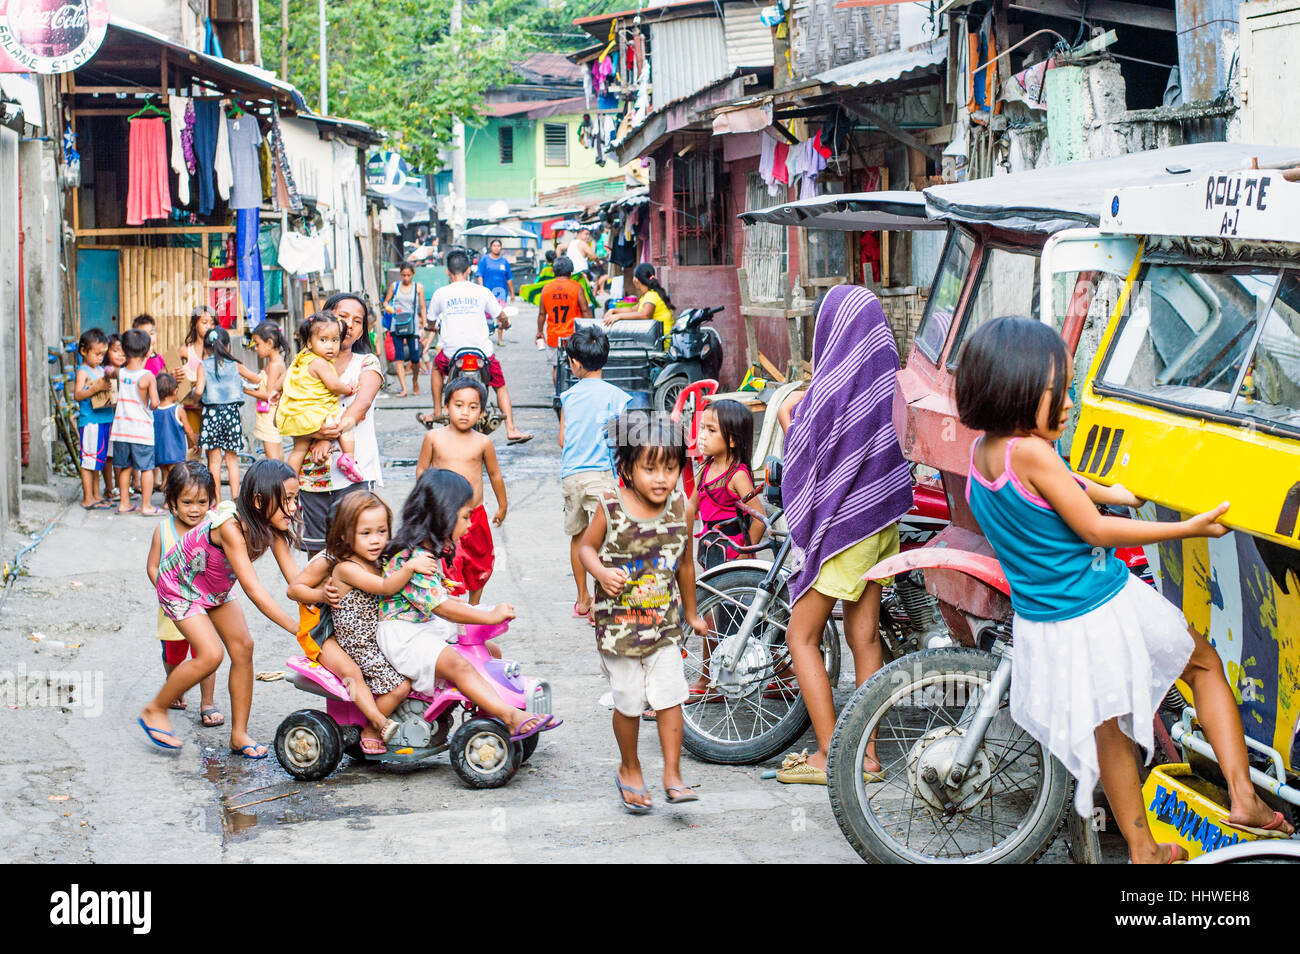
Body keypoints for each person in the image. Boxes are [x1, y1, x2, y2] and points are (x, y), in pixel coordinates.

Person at [956, 316, 1294, 861]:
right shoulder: (1033, 452)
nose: (1068, 403)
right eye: (1057, 392)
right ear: (1014, 392)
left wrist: (1109, 488)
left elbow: (1054, 487)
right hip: (1100, 604)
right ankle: (1245, 797)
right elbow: (1095, 528)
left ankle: (1142, 847)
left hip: (1050, 624)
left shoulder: (983, 455)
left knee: (1106, 727)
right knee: (1203, 665)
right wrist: (1185, 526)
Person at [773, 286, 914, 785]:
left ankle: (832, 752)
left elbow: (808, 450)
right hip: (878, 522)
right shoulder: (888, 384)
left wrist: (791, 419)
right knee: (863, 633)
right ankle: (868, 755)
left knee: (800, 634)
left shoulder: (831, 389)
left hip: (844, 532)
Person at [578, 409, 707, 812]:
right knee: (630, 701)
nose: (661, 478)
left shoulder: (680, 506)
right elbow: (584, 547)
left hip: (664, 626)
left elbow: (685, 562)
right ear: (628, 469)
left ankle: (672, 773)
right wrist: (599, 572)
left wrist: (690, 613)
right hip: (618, 630)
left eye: (670, 468)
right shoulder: (611, 506)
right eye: (650, 468)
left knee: (670, 697)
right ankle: (630, 766)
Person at [373, 468, 559, 742]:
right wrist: (489, 616)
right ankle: (507, 717)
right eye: (465, 517)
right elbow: (442, 607)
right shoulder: (411, 557)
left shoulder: (427, 553)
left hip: (422, 626)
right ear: (442, 518)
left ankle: (487, 712)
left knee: (489, 650)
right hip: (403, 634)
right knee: (459, 665)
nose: (470, 524)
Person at [141, 459, 305, 758]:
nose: (293, 508)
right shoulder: (230, 526)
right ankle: (155, 709)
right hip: (179, 585)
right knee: (211, 654)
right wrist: (298, 630)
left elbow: (296, 582)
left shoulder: (273, 526)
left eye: (295, 499)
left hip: (214, 589)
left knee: (243, 646)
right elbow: (254, 591)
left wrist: (326, 594)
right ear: (259, 500)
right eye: (286, 501)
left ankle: (238, 734)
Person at [287, 492, 433, 754]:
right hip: (329, 636)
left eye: (381, 531)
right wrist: (320, 594)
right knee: (354, 674)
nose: (376, 539)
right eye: (365, 533)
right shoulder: (334, 562)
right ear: (344, 534)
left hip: (372, 637)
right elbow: (293, 590)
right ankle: (375, 724)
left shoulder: (379, 559)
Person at [296, 292, 385, 559]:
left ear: (362, 330)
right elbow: (288, 414)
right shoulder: (305, 364)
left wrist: (327, 435)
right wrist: (317, 434)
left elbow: (361, 404)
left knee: (356, 552)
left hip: (354, 474)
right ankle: (318, 601)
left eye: (358, 321)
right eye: (342, 316)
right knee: (317, 553)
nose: (349, 325)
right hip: (314, 476)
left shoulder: (366, 363)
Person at [558, 325, 631, 620]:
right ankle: (601, 602)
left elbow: (563, 439)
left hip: (572, 475)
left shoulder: (568, 396)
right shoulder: (617, 396)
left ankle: (582, 599)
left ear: (575, 363)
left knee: (578, 537)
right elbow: (623, 441)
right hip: (602, 474)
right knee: (605, 538)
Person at [421, 250, 532, 444]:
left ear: (448, 271)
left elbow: (430, 321)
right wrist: (505, 324)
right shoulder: (481, 291)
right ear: (469, 269)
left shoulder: (441, 293)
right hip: (483, 355)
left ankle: (438, 411)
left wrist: (431, 327)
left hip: (452, 355)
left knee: (438, 368)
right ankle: (511, 428)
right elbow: (501, 316)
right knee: (500, 386)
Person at [416, 378, 506, 604]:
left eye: (473, 407)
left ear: (482, 412)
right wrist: (425, 502)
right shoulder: (434, 438)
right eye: (458, 405)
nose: (465, 412)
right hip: (443, 516)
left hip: (474, 515)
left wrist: (502, 505)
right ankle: (450, 610)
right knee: (446, 565)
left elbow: (495, 475)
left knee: (481, 563)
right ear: (446, 406)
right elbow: (422, 470)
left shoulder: (483, 443)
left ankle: (473, 608)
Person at [146, 463, 221, 727]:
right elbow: (152, 566)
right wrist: (166, 589)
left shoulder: (213, 527)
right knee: (174, 655)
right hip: (173, 607)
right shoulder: (164, 530)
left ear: (211, 502)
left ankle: (208, 702)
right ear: (173, 502)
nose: (195, 509)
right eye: (187, 502)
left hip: (204, 603)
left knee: (207, 654)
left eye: (202, 502)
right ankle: (175, 684)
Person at [276, 311, 364, 483]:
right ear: (309, 342)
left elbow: (285, 379)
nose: (330, 346)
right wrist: (349, 388)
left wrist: (274, 391)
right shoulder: (320, 362)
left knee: (298, 452)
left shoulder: (301, 359)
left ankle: (289, 485)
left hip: (299, 417)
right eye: (323, 340)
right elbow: (334, 385)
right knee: (344, 425)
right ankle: (348, 458)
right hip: (316, 416)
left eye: (335, 340)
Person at [690, 399, 762, 569]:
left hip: (734, 552)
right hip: (711, 547)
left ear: (732, 440)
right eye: (702, 428)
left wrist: (743, 555)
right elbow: (690, 507)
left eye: (711, 430)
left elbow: (759, 519)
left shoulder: (737, 475)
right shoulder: (704, 469)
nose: (703, 435)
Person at [195, 327, 259, 504]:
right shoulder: (235, 365)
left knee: (214, 461)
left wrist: (194, 396)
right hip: (231, 414)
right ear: (228, 347)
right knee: (232, 460)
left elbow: (199, 390)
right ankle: (235, 499)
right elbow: (256, 379)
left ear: (207, 347)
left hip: (211, 414)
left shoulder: (204, 365)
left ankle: (216, 501)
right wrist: (240, 385)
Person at [110, 328, 162, 516]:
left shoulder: (120, 373)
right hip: (141, 431)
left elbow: (110, 373)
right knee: (146, 468)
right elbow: (155, 403)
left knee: (124, 467)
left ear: (124, 350)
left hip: (121, 430)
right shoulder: (148, 377)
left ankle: (124, 503)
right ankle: (146, 505)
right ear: (148, 351)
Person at [73, 328, 116, 510]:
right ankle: (87, 497)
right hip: (91, 422)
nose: (100, 358)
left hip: (104, 420)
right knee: (89, 460)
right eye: (97, 353)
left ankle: (96, 495)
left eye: (102, 354)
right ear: (84, 351)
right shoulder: (83, 372)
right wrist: (94, 389)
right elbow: (77, 394)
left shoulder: (99, 370)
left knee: (98, 460)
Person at [536, 257, 591, 382]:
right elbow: (585, 310)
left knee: (557, 367)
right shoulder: (576, 287)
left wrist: (539, 332)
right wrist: (591, 330)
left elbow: (542, 314)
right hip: (574, 336)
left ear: (554, 271)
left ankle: (558, 395)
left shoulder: (546, 288)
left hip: (553, 336)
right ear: (570, 272)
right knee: (578, 366)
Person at [381, 262, 427, 397]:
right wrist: (388, 308)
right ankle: (404, 388)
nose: (406, 278)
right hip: (397, 325)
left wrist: (424, 326)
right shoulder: (394, 286)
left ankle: (415, 381)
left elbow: (423, 307)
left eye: (408, 275)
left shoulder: (418, 287)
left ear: (413, 274)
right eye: (403, 275)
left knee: (415, 357)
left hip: (413, 327)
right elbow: (386, 301)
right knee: (399, 358)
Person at [244, 320, 288, 460]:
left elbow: (269, 394)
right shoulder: (274, 362)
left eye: (257, 344)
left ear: (269, 343)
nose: (255, 348)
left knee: (272, 456)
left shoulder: (275, 365)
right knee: (277, 452)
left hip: (269, 415)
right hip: (269, 414)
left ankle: (277, 481)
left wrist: (245, 390)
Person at [604, 263, 674, 346]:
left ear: (636, 279)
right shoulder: (648, 295)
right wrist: (614, 310)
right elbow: (633, 309)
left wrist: (618, 317)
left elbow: (645, 315)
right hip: (658, 340)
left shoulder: (651, 296)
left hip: (663, 344)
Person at [180, 305, 218, 456]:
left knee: (213, 453)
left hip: (213, 406)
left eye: (212, 323)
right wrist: (176, 373)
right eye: (204, 322)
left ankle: (211, 479)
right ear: (194, 324)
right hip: (191, 408)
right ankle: (194, 480)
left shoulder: (219, 350)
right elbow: (170, 373)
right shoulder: (185, 351)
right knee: (194, 449)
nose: (209, 326)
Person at [153, 373, 195, 487]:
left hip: (159, 451)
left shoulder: (154, 410)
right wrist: (194, 444)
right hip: (175, 452)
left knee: (166, 475)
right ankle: (171, 501)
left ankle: (167, 500)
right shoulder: (178, 410)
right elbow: (188, 430)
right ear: (175, 391)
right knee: (175, 478)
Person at [476, 239, 514, 347]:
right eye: (494, 245)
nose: (496, 247)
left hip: (501, 293)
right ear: (490, 247)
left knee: (500, 315)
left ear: (501, 248)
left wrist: (512, 293)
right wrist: (481, 289)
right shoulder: (484, 260)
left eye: (498, 245)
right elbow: (480, 276)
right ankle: (484, 338)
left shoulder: (504, 262)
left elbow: (509, 279)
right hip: (487, 293)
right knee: (485, 317)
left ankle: (500, 339)